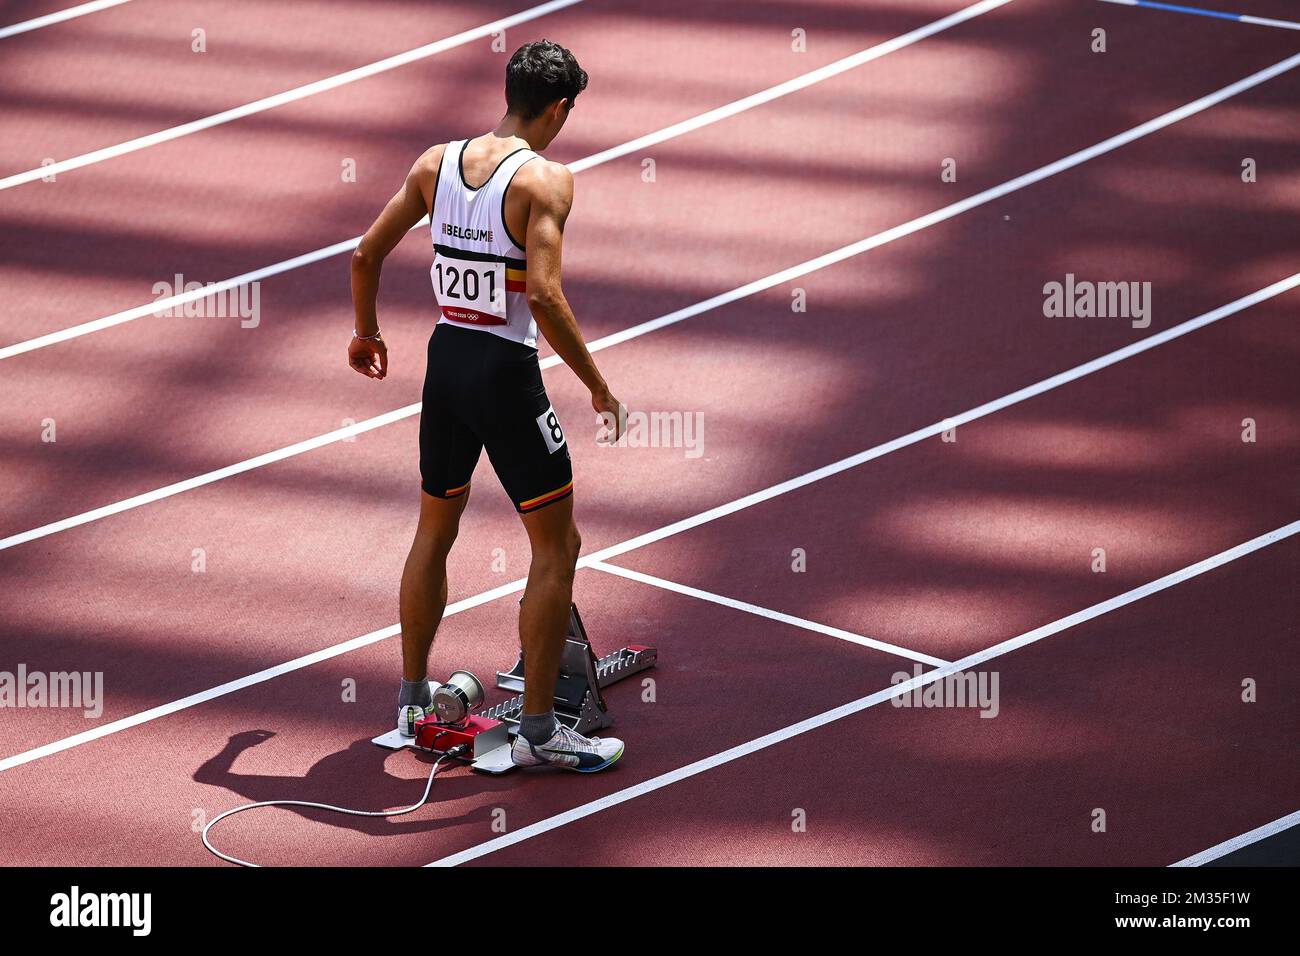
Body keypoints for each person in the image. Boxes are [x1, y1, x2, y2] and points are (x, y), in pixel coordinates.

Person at [348, 39, 626, 771]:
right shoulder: (547, 181)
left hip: (446, 367)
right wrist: (596, 382)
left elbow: (364, 254)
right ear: (560, 108)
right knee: (556, 547)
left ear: (508, 91)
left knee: (435, 529)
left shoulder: (434, 163)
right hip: (505, 373)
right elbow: (543, 294)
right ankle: (540, 731)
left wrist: (366, 332)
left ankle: (411, 702)